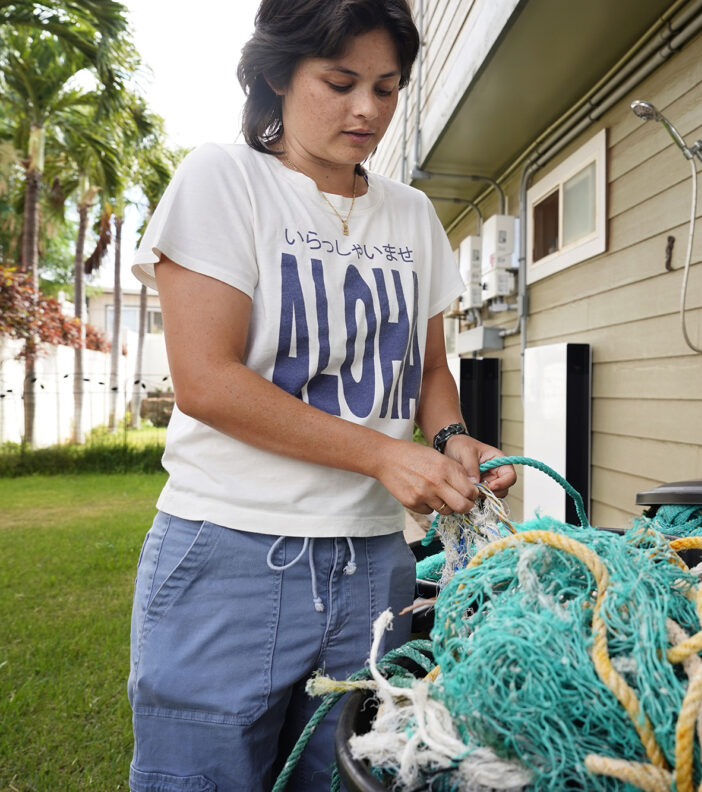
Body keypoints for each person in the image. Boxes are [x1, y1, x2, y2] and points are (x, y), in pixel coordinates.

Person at [125, 1, 515, 789]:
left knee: (349, 773)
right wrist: (382, 454)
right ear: (276, 72)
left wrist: (449, 439)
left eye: (387, 86)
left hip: (375, 565)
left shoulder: (410, 216)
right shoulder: (222, 179)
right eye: (340, 83)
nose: (368, 109)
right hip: (229, 556)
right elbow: (205, 379)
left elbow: (431, 369)